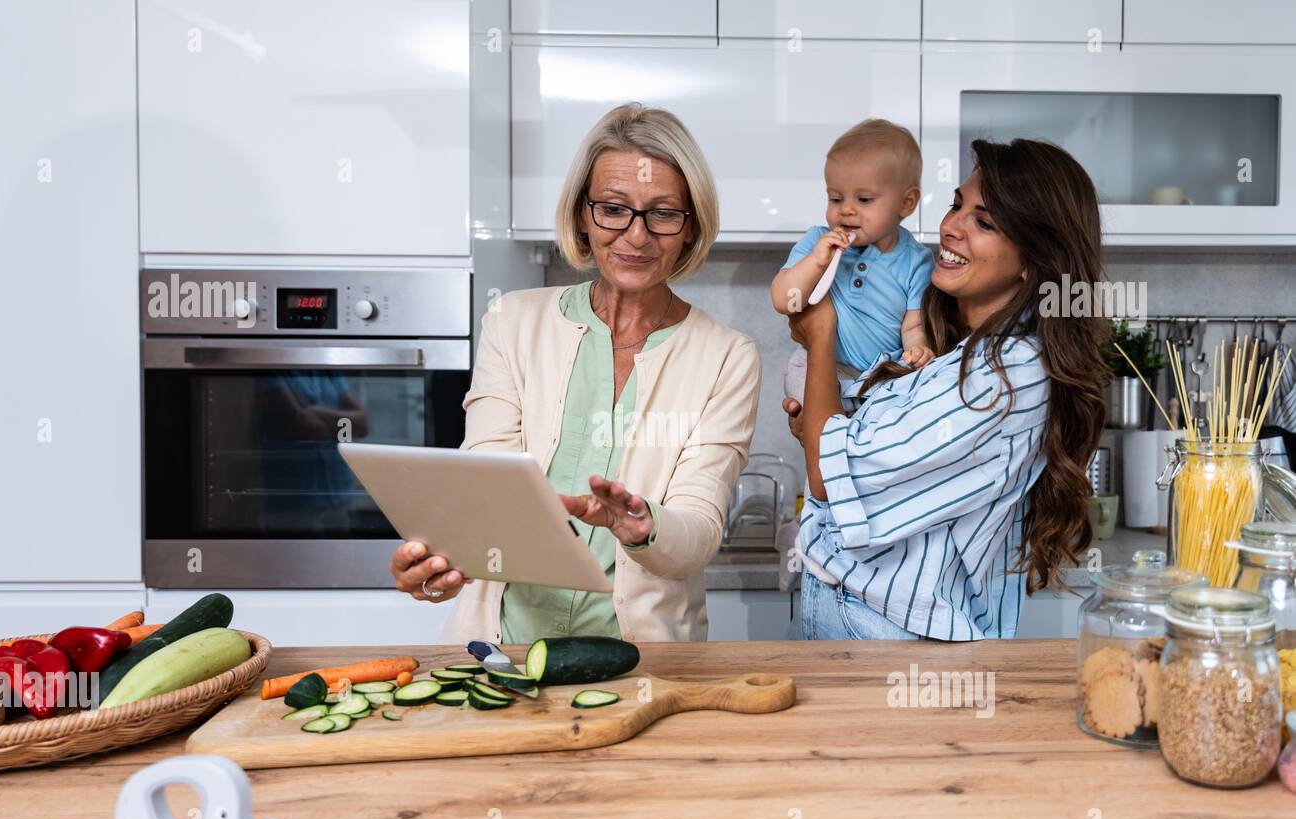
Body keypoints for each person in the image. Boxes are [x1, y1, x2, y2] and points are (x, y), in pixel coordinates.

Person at [389, 103, 761, 642]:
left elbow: (699, 528)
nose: (636, 237)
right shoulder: (512, 320)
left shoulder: (727, 355)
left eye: (662, 213)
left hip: (645, 665)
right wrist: (440, 568)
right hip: (499, 653)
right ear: (583, 215)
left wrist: (644, 528)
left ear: (690, 227)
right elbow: (485, 482)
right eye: (613, 208)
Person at [784, 138, 1109, 641]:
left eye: (985, 222)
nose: (951, 226)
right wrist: (821, 422)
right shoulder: (957, 349)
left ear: (1034, 260)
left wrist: (820, 334)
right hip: (873, 621)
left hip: (889, 635)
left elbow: (829, 476)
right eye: (958, 205)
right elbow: (847, 449)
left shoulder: (1008, 374)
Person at [771, 118, 935, 411]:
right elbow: (784, 300)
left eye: (864, 199)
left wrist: (917, 350)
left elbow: (914, 324)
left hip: (881, 375)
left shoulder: (916, 261)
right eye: (835, 197)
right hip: (820, 365)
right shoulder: (816, 241)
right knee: (810, 396)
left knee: (905, 400)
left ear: (906, 203)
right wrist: (816, 262)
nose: (846, 209)